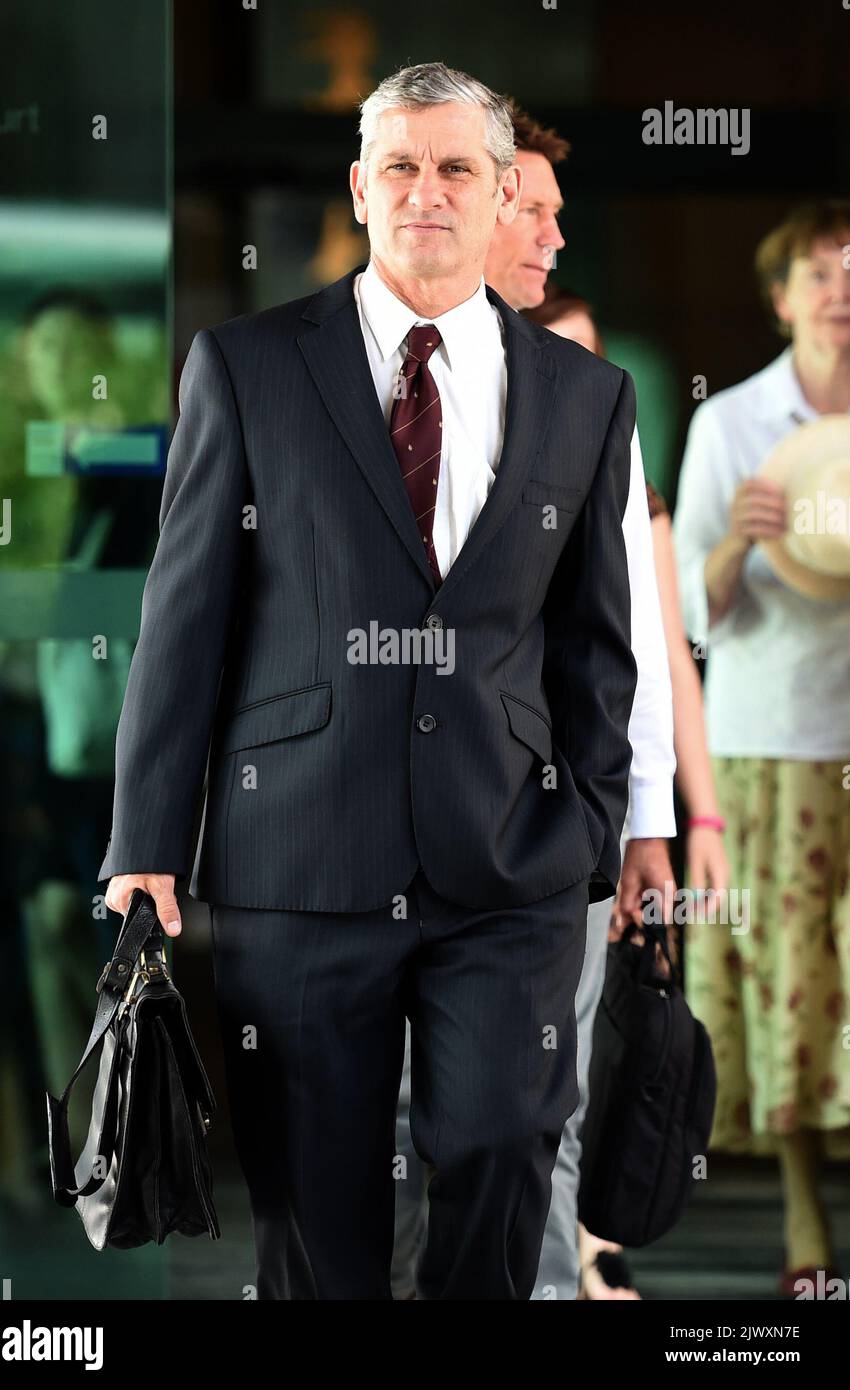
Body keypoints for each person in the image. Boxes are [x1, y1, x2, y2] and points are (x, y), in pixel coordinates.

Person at [100, 61, 641, 1301]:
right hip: (300, 853)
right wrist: (147, 836)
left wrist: (594, 832)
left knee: (504, 1152)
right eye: (399, 165)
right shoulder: (242, 366)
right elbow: (183, 617)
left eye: (457, 168)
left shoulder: (586, 396)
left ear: (505, 193)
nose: (426, 191)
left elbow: (596, 644)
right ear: (359, 185)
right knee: (313, 1202)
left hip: (511, 860)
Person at [391, 106, 677, 1303]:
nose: (557, 236)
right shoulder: (361, 367)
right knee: (405, 1127)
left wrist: (639, 818)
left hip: (540, 829)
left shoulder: (582, 395)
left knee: (530, 1118)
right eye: (540, 210)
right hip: (371, 831)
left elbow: (628, 638)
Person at [527, 283, 730, 1297]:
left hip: (607, 813)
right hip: (526, 810)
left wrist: (689, 815)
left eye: (593, 361)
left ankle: (589, 1251)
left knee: (594, 1048)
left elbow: (664, 668)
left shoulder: (635, 497)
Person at [672, 201, 850, 1295]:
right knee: (790, 977)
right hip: (771, 733)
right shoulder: (732, 422)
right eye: (818, 273)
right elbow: (691, 611)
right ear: (780, 298)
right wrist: (743, 535)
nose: (840, 289)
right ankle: (802, 1223)